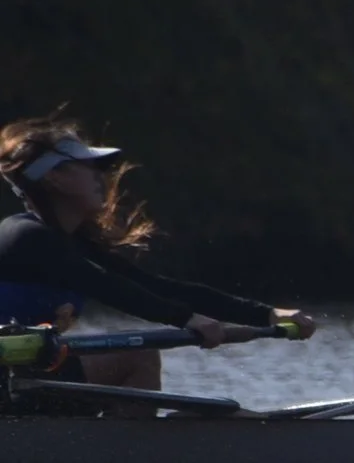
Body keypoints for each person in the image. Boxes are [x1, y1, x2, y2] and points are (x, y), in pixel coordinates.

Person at [0, 113, 317, 416]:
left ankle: (122, 440)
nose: (102, 176)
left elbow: (155, 287)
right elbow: (112, 289)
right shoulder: (26, 238)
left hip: (25, 380)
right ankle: (130, 447)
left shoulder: (69, 242)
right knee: (138, 356)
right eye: (88, 166)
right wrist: (187, 319)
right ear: (55, 177)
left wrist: (266, 314)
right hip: (13, 387)